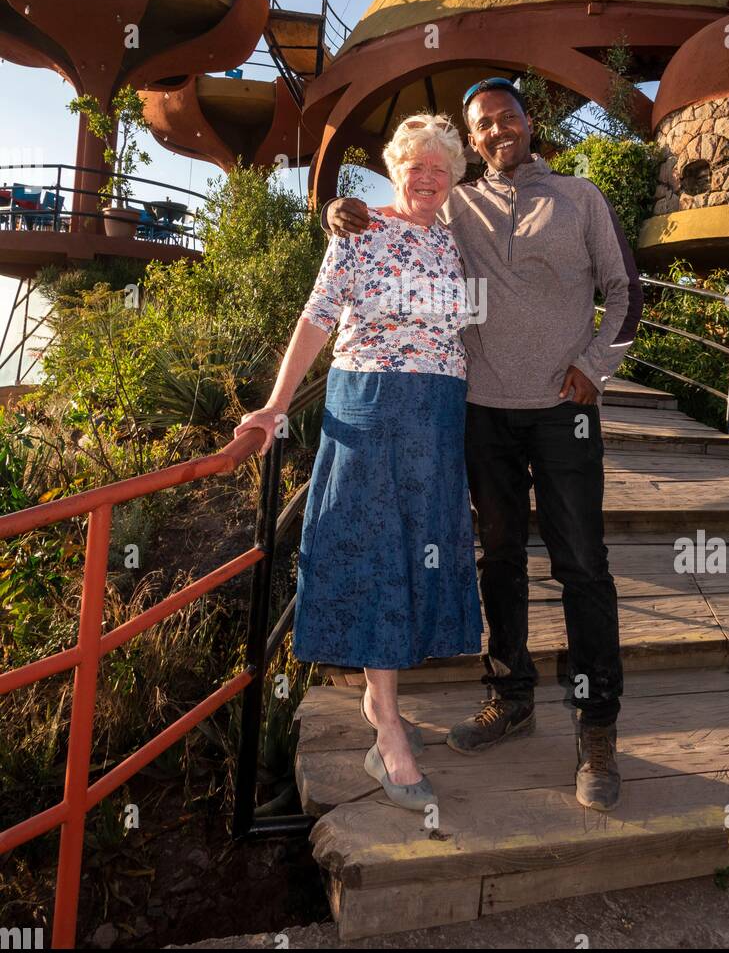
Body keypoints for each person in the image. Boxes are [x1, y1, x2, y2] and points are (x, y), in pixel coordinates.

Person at [323, 78, 643, 811]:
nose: (498, 131)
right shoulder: (458, 202)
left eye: (508, 118)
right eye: (483, 126)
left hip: (564, 409)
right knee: (496, 555)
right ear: (471, 142)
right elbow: (402, 210)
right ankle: (511, 695)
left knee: (582, 565)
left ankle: (597, 728)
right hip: (480, 409)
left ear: (528, 123)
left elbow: (627, 290)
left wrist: (594, 366)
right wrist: (337, 212)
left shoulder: (580, 198)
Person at [234, 114, 482, 813]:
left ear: (453, 178)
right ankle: (387, 724)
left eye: (441, 167)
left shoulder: (453, 241)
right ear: (393, 168)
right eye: (415, 165)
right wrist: (276, 405)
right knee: (377, 547)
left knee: (417, 548)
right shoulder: (361, 230)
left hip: (438, 412)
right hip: (370, 402)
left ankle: (384, 698)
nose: (427, 177)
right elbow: (316, 319)